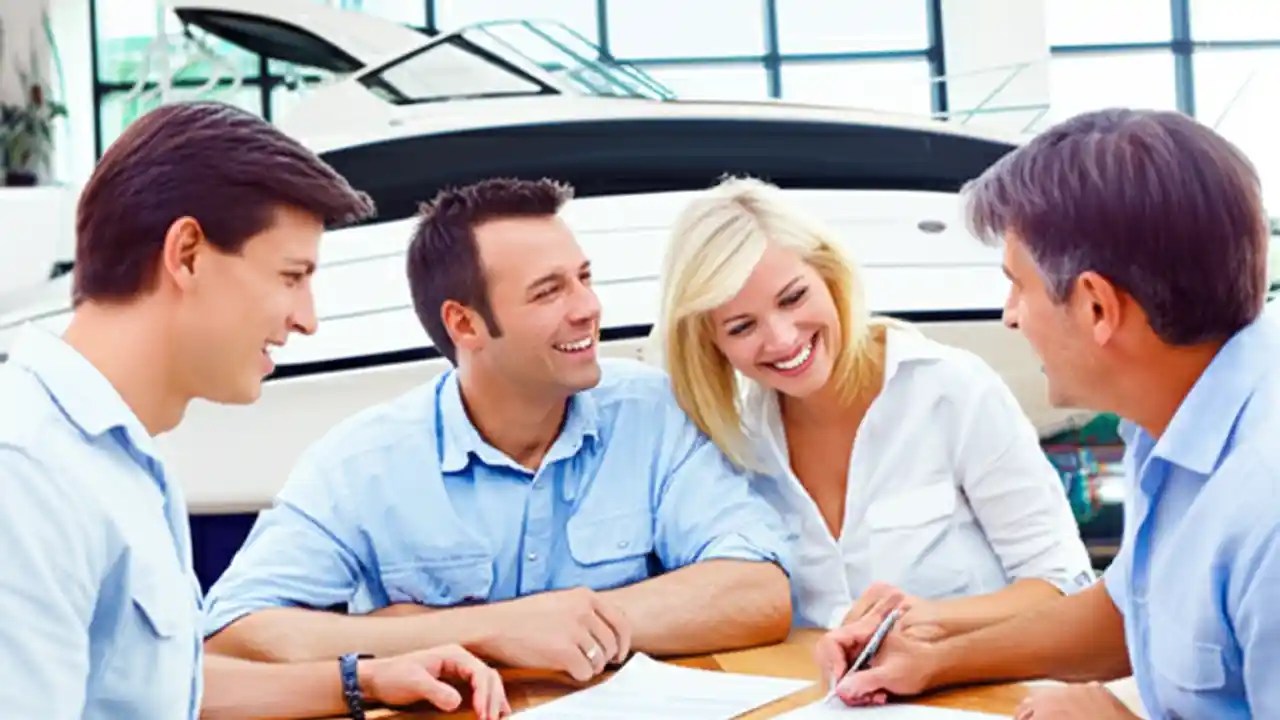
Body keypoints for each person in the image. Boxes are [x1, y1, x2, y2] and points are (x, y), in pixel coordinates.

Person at [0, 102, 509, 720]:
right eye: (291, 277)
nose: (307, 319)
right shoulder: (27, 475)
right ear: (188, 254)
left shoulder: (116, 458)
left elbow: (164, 686)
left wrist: (365, 680)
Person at [201, 177, 794, 682]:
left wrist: (562, 626)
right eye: (549, 291)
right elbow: (232, 633)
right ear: (465, 324)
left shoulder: (652, 413)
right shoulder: (365, 462)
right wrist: (492, 631)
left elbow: (758, 592)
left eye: (583, 277)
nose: (588, 307)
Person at [817, 108, 1280, 720]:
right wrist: (936, 660)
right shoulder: (1174, 416)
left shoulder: (1264, 501)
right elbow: (1129, 611)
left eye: (1019, 285)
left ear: (1096, 306)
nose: (1009, 315)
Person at [654, 175, 1095, 635]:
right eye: (742, 327)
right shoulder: (736, 445)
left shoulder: (951, 391)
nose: (782, 339)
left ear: (829, 276)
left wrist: (925, 621)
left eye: (794, 297)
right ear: (712, 345)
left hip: (977, 681)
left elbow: (1063, 583)